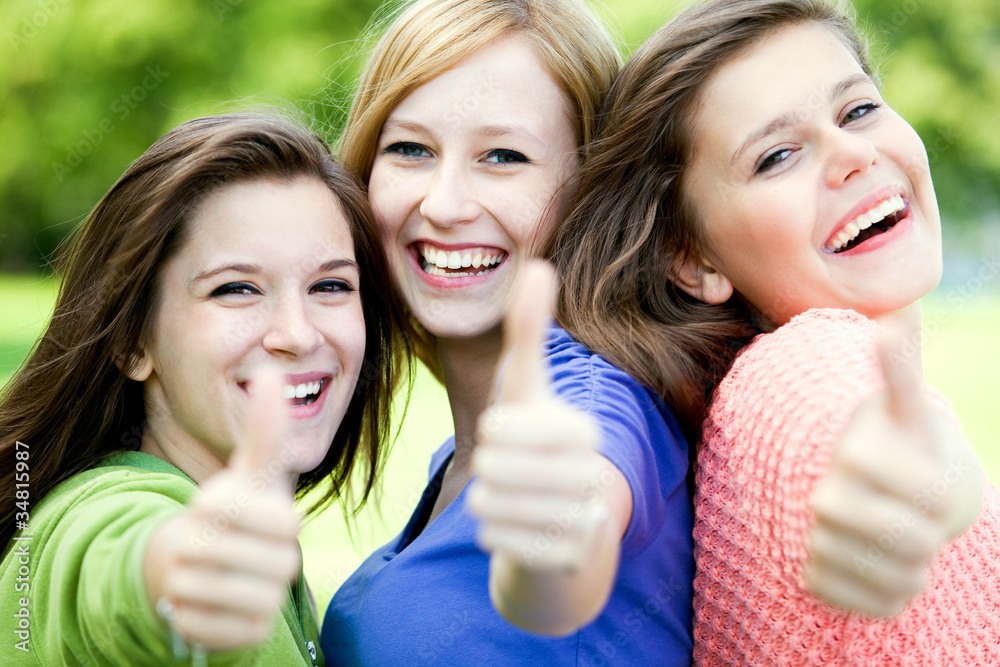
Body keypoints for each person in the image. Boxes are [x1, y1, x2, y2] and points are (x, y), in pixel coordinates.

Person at [547, 0, 999, 663]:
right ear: (693, 258)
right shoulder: (796, 376)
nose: (853, 152)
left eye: (858, 110)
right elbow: (833, 428)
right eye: (778, 155)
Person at [321, 0, 696, 664]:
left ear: (591, 188)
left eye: (502, 155)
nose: (443, 203)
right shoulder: (453, 457)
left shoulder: (589, 396)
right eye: (410, 148)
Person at [0, 112, 408, 666]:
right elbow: (113, 570)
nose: (297, 332)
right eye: (236, 288)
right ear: (131, 344)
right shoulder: (98, 514)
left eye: (331, 285)